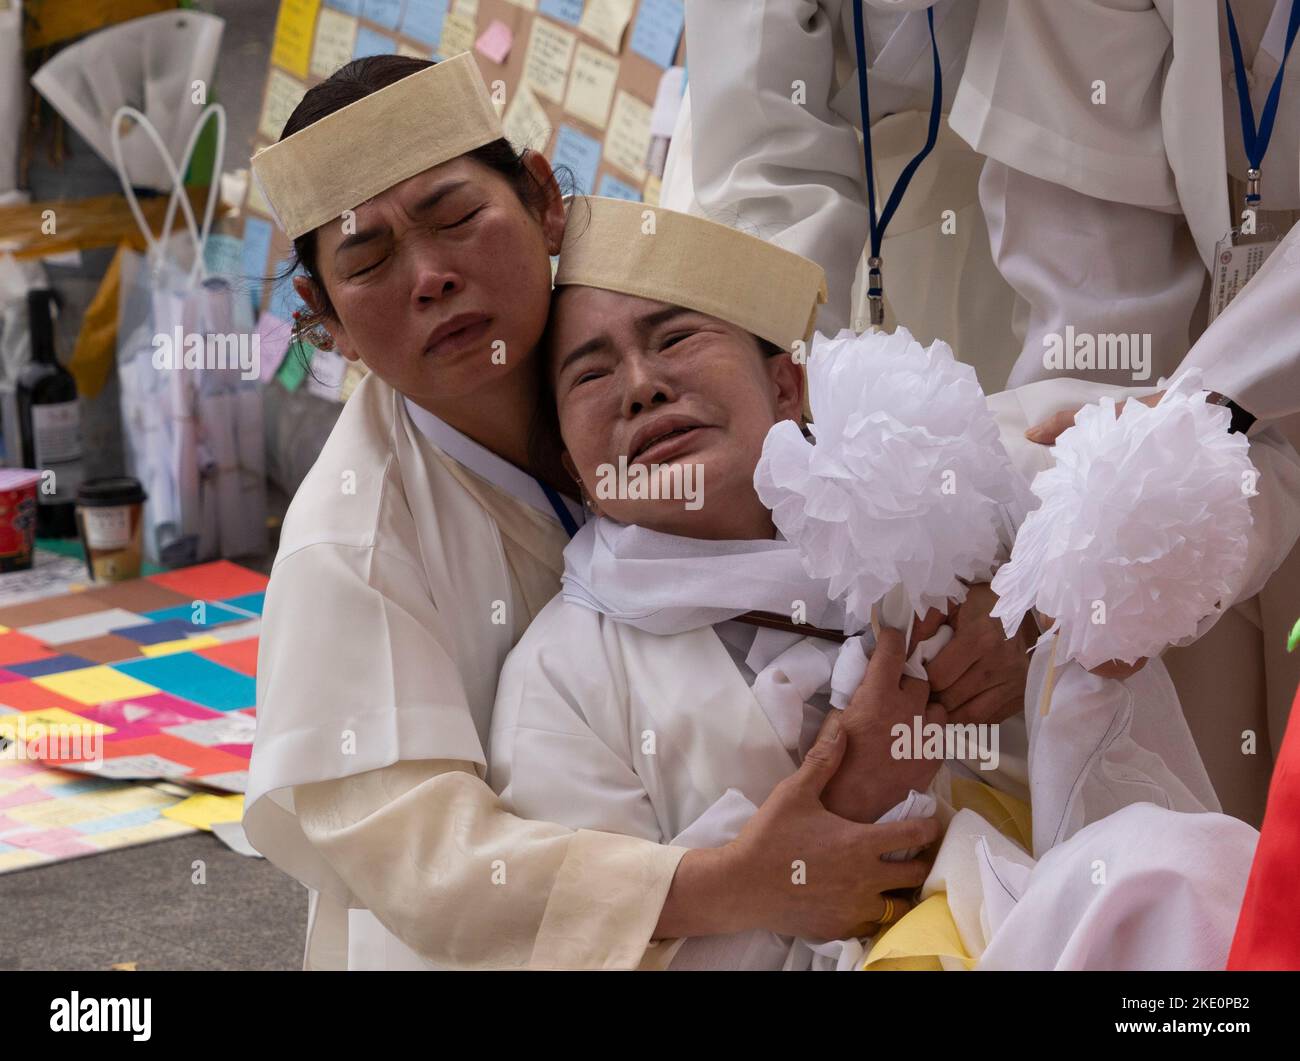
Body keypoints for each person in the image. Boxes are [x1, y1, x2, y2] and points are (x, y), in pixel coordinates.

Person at [243, 54, 966, 970]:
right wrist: (740, 879)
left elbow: (902, 451)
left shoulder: (646, 364)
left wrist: (985, 597)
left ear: (544, 197)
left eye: (457, 216)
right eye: (370, 258)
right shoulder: (348, 544)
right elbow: (429, 865)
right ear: (325, 319)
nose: (429, 277)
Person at [490, 198, 1275, 969]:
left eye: (677, 337)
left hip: (1096, 931)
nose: (641, 386)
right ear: (573, 470)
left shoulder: (958, 472)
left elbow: (1232, 476)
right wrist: (842, 799)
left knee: (1180, 870)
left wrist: (1041, 611)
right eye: (591, 375)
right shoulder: (559, 681)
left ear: (787, 384)